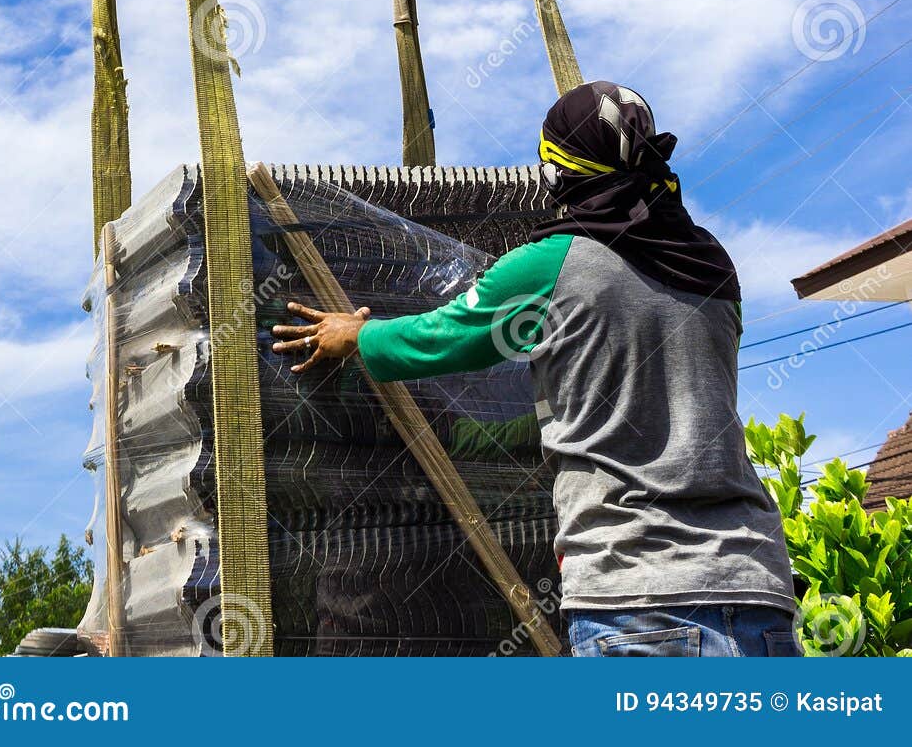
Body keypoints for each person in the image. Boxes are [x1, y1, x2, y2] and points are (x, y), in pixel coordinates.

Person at [273, 79, 801, 658]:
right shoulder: (711, 267)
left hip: (637, 593)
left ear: (558, 167)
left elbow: (445, 336)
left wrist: (356, 334)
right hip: (757, 591)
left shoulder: (553, 264)